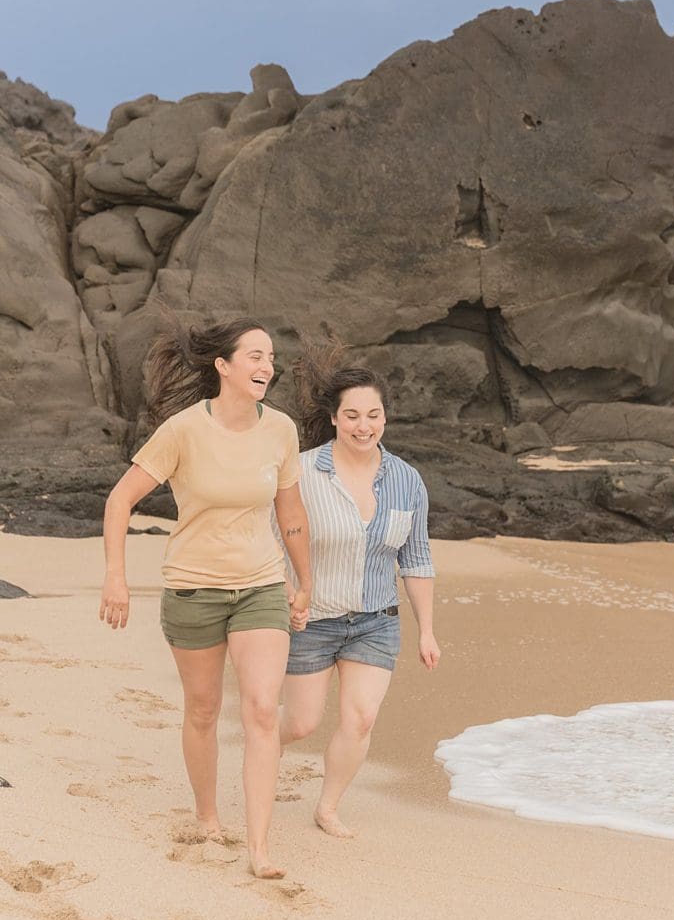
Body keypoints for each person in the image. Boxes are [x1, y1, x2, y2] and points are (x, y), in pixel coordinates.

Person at [99, 317, 312, 880]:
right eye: (255, 356)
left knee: (263, 709)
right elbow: (120, 501)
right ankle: (208, 815)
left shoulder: (282, 431)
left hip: (261, 585)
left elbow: (289, 513)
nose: (267, 366)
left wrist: (304, 579)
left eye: (271, 357)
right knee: (203, 709)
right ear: (223, 366)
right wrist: (115, 578)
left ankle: (260, 848)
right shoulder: (183, 430)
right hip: (193, 586)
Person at [279, 355, 440, 837]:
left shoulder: (406, 480)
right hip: (311, 619)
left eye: (372, 415)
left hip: (375, 620)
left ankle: (328, 806)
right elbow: (268, 540)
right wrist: (290, 595)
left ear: (385, 417)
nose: (362, 426)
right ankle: (263, 747)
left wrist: (427, 631)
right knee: (302, 723)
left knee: (362, 718)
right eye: (351, 415)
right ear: (333, 418)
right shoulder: (302, 474)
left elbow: (416, 558)